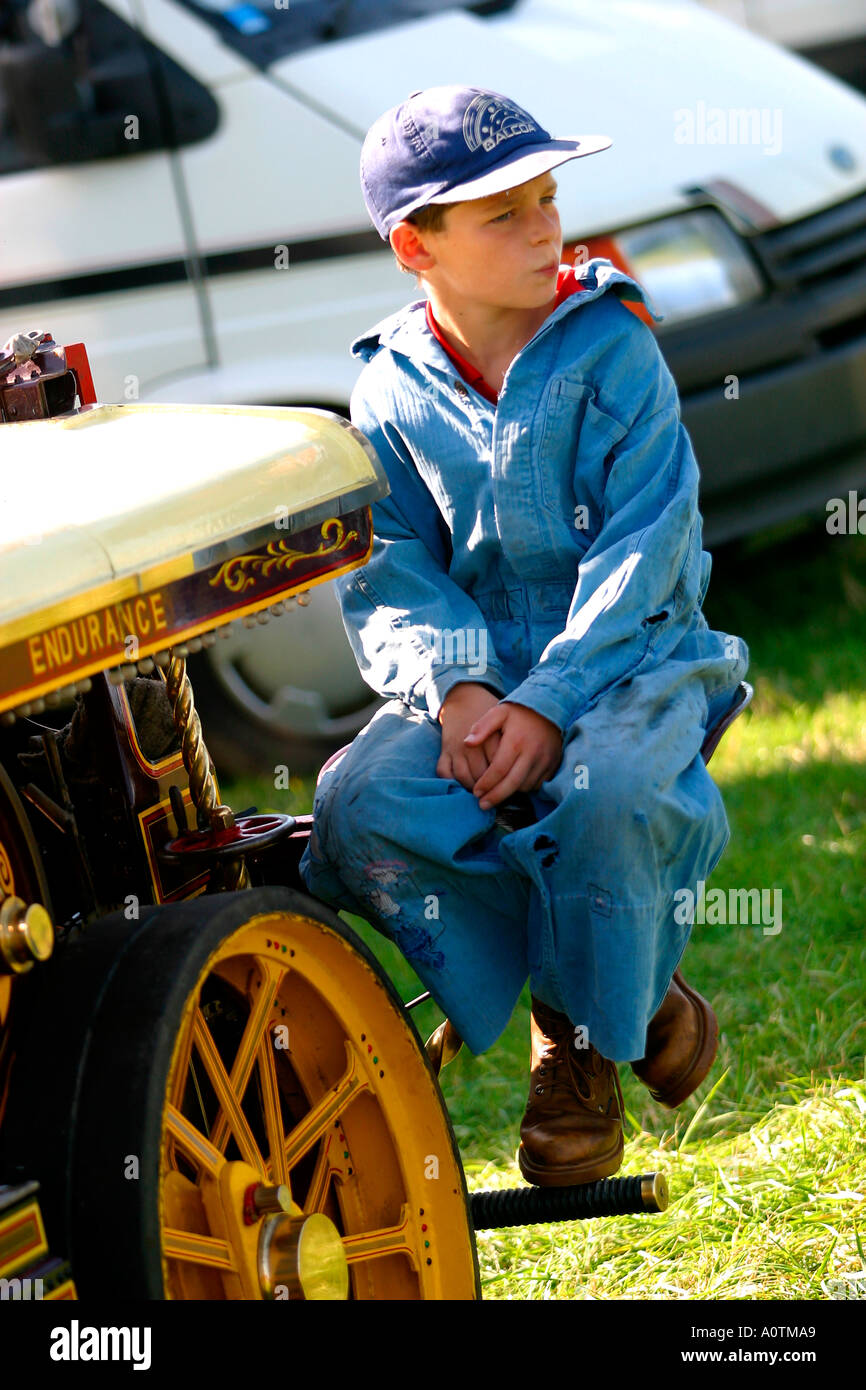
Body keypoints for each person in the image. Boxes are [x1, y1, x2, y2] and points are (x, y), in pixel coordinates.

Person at [299, 86, 750, 1186]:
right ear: (416, 246)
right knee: (359, 804)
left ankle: (580, 1040)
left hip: (633, 656)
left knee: (605, 794)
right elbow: (391, 564)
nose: (545, 228)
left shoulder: (613, 349)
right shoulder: (384, 391)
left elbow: (642, 547)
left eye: (546, 197)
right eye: (502, 214)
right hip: (474, 682)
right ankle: (634, 987)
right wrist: (457, 693)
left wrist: (549, 703)